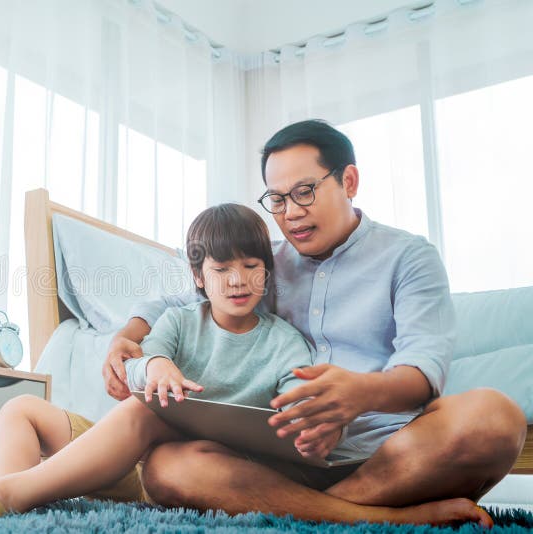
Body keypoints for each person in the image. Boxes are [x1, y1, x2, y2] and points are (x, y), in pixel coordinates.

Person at [101, 120, 527, 526]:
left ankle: (307, 511)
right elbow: (179, 299)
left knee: (494, 417)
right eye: (278, 199)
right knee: (166, 467)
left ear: (349, 182)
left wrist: (360, 394)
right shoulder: (262, 264)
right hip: (282, 458)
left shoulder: (409, 257)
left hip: (392, 455)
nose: (291, 213)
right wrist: (127, 338)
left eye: (304, 192)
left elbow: (424, 371)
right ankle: (379, 518)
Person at [0, 203, 340, 519]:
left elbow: (297, 394)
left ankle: (4, 494)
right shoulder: (177, 320)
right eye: (222, 268)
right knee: (19, 409)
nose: (238, 279)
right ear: (198, 277)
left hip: (189, 468)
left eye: (251, 266)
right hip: (120, 460)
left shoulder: (285, 342)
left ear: (267, 272)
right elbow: (140, 360)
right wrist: (154, 367)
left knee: (143, 412)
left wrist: (303, 412)